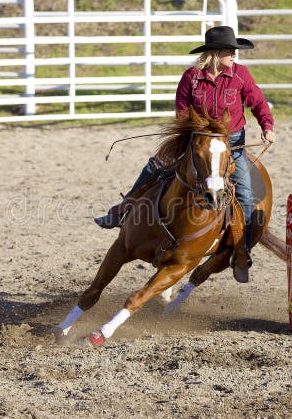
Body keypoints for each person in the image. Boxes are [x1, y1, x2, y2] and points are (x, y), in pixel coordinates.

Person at [94, 25, 276, 283]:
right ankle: (122, 209)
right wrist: (193, 133)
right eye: (229, 51)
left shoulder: (240, 75)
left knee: (245, 194)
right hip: (196, 140)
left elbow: (257, 102)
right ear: (215, 53)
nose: (234, 56)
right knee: (154, 166)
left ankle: (241, 251)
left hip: (230, 143)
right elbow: (182, 111)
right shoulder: (191, 77)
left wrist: (267, 126)